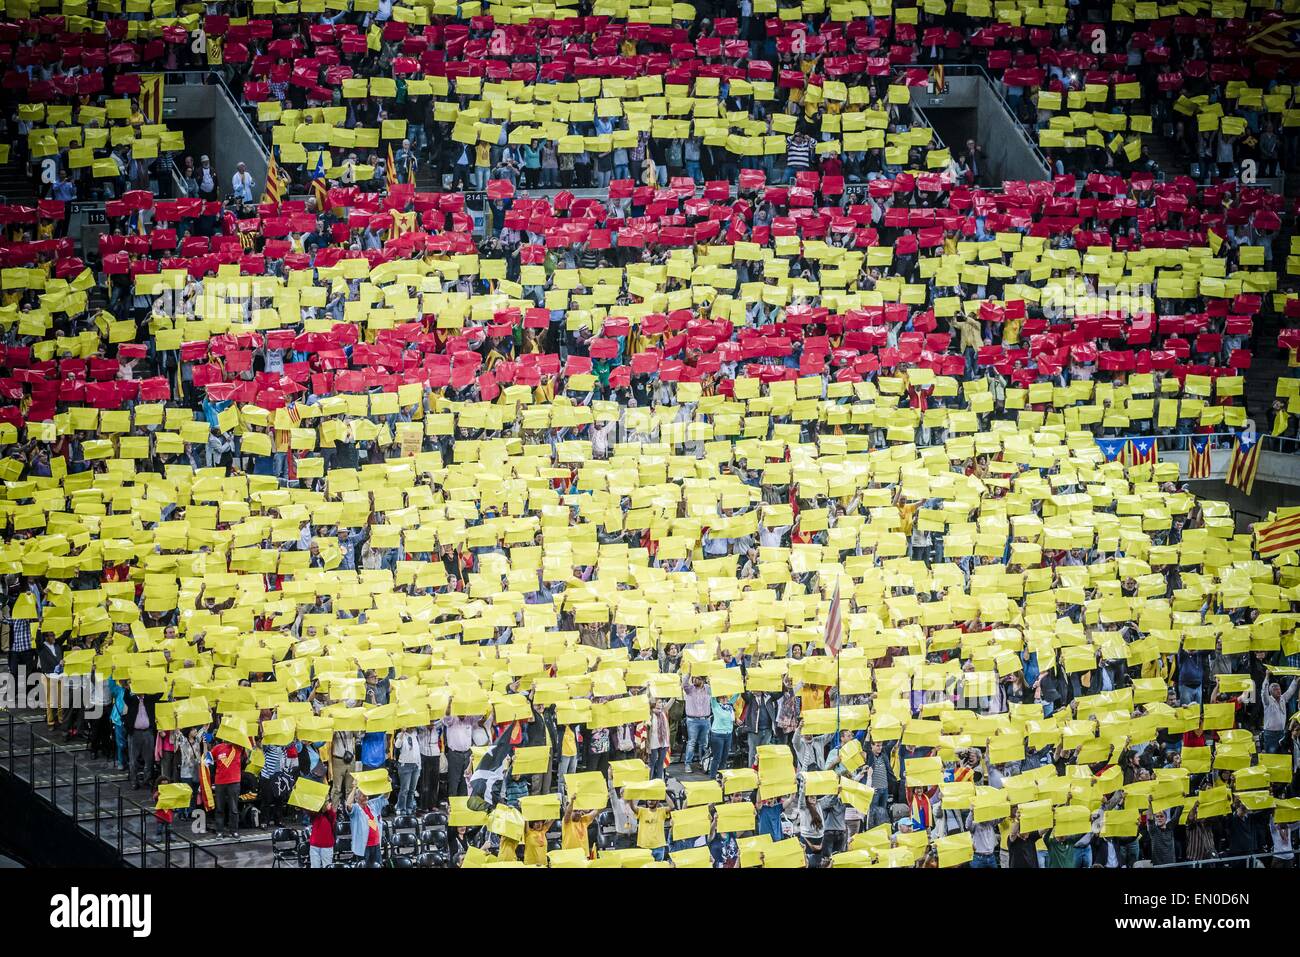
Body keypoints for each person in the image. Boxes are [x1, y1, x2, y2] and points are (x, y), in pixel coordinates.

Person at [210, 736, 244, 839]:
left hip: (234, 782)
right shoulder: (217, 748)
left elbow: (247, 741)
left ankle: (234, 831)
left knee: (233, 808)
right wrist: (205, 746)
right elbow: (208, 760)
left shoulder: (238, 747)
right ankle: (219, 831)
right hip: (220, 782)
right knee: (220, 808)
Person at [347, 787, 384, 866]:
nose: (366, 797)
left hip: (376, 844)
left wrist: (387, 784)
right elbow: (348, 804)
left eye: (367, 795)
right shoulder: (356, 808)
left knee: (377, 866)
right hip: (364, 847)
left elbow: (385, 797)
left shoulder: (371, 805)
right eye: (363, 796)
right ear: (356, 798)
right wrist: (354, 788)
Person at [307, 801, 337, 868]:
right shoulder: (315, 813)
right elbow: (309, 813)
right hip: (314, 846)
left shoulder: (330, 814)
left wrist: (329, 810)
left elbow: (333, 817)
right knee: (314, 866)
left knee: (327, 866)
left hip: (327, 846)